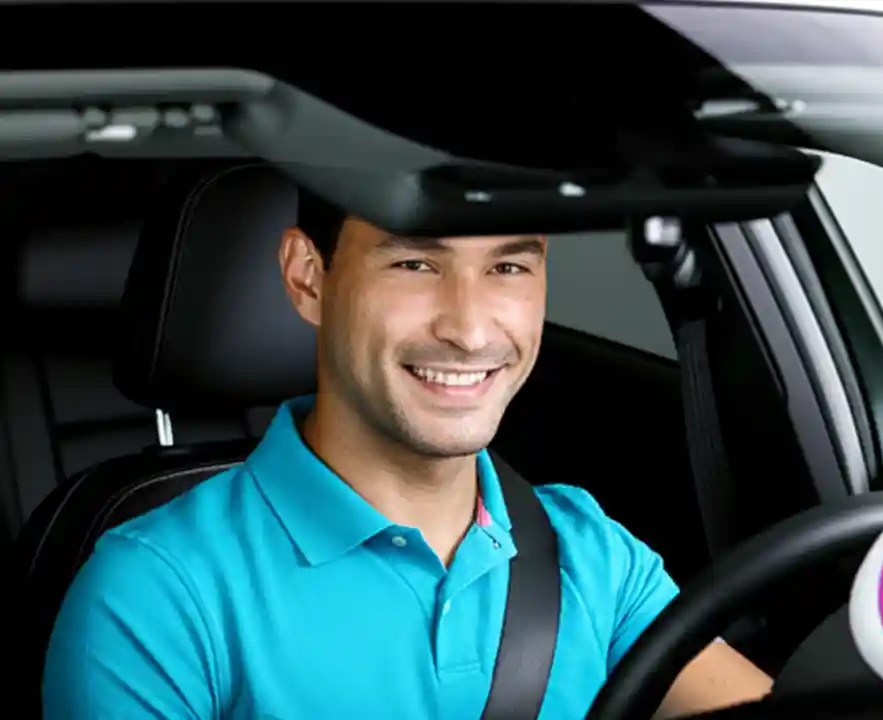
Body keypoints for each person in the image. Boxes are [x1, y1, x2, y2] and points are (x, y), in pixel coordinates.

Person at [42, 188, 775, 719]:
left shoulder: (592, 554)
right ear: (308, 278)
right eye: (415, 265)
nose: (469, 327)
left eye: (509, 268)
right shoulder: (156, 594)